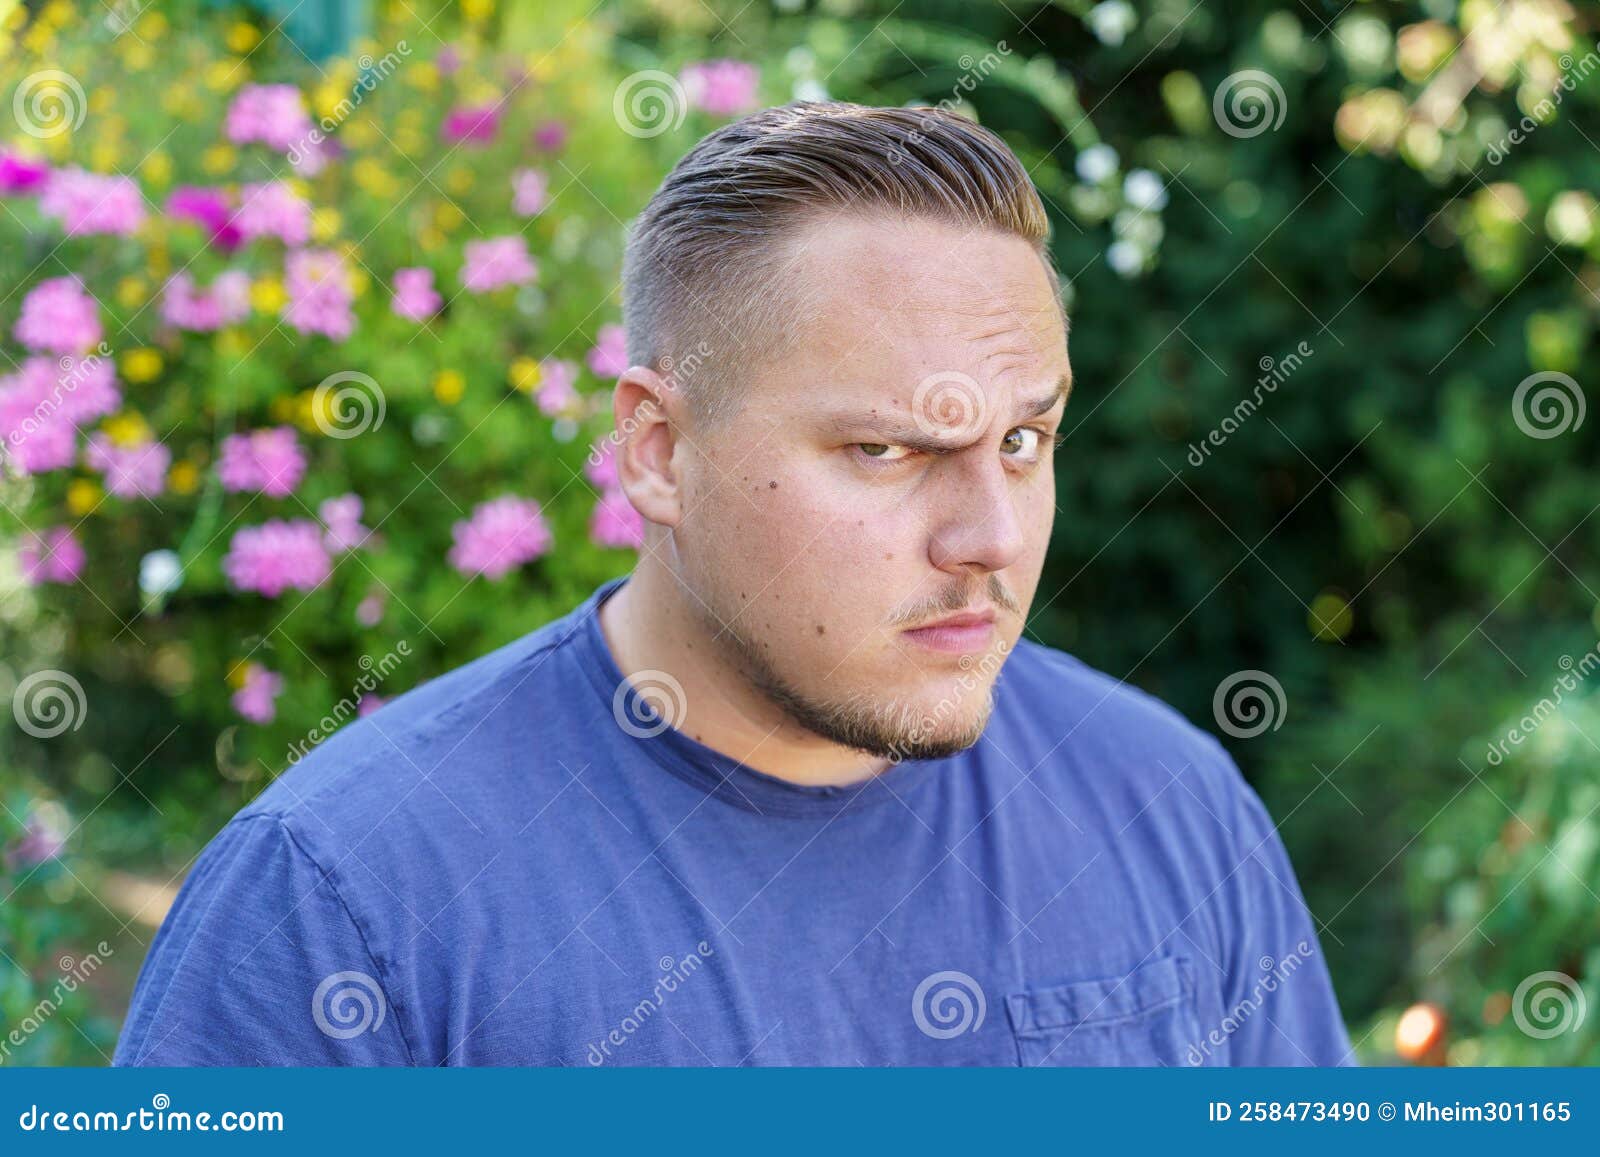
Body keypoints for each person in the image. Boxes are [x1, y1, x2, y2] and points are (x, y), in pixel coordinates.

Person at [115, 102, 1349, 1067]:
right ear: (659, 451)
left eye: (1023, 440)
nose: (990, 535)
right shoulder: (344, 899)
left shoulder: (1166, 808)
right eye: (887, 449)